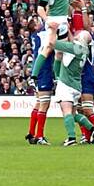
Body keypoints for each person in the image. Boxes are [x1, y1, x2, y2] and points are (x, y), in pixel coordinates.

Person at [41, 24, 89, 147]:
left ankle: (71, 137)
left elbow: (53, 43)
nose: (76, 35)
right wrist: (67, 29)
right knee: (74, 114)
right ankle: (93, 130)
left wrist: (52, 30)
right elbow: (74, 41)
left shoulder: (74, 48)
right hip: (76, 85)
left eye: (79, 34)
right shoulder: (83, 49)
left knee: (67, 111)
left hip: (67, 84)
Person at [26, 16, 55, 145]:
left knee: (39, 103)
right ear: (35, 26)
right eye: (38, 21)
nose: (41, 22)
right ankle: (40, 136)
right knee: (44, 104)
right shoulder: (43, 34)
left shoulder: (36, 36)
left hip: (40, 70)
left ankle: (32, 133)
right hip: (44, 70)